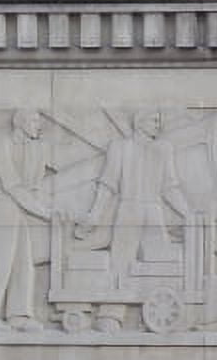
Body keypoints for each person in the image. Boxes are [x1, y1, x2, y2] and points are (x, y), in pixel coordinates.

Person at [77, 108, 191, 286]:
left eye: (158, 121)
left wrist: (188, 213)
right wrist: (95, 213)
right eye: (154, 120)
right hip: (128, 210)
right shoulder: (120, 147)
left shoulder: (163, 149)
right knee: (121, 265)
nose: (158, 125)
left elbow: (170, 187)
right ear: (140, 122)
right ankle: (112, 312)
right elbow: (108, 183)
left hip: (154, 211)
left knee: (161, 264)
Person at [0, 108, 51, 332]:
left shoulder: (35, 149)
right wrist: (45, 213)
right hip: (5, 208)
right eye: (35, 120)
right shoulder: (1, 143)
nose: (39, 125)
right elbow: (12, 185)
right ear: (20, 122)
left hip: (22, 212)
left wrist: (49, 209)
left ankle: (19, 315)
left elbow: (35, 187)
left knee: (24, 265)